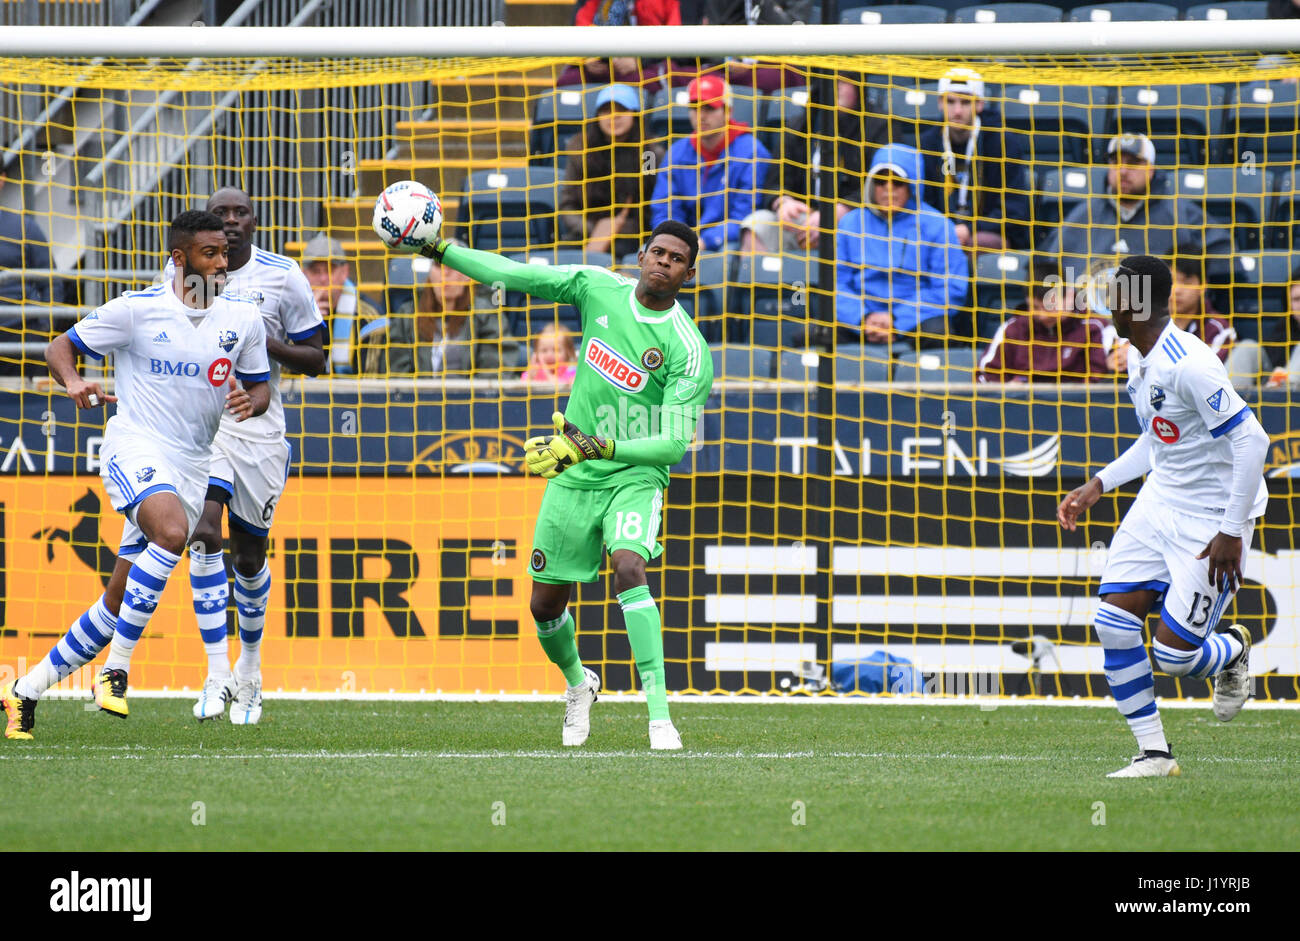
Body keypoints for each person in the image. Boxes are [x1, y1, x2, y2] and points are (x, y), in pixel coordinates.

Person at [416, 218, 712, 750]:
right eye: (657, 252)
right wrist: (441, 249)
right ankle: (580, 685)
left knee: (628, 565)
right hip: (574, 472)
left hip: (633, 473)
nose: (664, 262)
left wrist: (603, 446)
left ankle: (660, 716)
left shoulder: (688, 349)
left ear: (690, 273)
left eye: (676, 259)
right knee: (544, 606)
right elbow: (511, 272)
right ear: (641, 257)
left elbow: (672, 445)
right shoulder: (595, 286)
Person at [2, 211, 271, 739]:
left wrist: (250, 400)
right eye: (210, 254)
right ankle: (116, 670)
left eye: (225, 254)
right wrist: (75, 381)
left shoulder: (244, 320)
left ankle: (23, 691)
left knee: (117, 600)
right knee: (174, 534)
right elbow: (59, 348)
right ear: (179, 258)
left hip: (194, 463)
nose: (222, 264)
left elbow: (260, 387)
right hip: (136, 447)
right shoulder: (136, 311)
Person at [1056, 255, 1269, 778]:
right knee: (1112, 622)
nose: (1104, 298)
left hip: (1213, 517)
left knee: (1173, 658)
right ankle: (1154, 754)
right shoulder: (1136, 355)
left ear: (1136, 304)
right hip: (1161, 500)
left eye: (1113, 291)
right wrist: (1100, 484)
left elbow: (1253, 440)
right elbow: (1160, 440)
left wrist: (1229, 531)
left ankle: (1232, 649)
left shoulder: (1190, 363)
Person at [171, 188, 325, 724]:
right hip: (203, 428)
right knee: (204, 531)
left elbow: (317, 357)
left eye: (240, 214)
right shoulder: (185, 273)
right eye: (222, 214)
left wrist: (258, 338)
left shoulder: (282, 277)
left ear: (255, 222)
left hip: (258, 428)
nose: (231, 222)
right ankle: (216, 676)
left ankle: (250, 672)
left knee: (249, 557)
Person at [835, 142, 970, 352]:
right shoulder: (850, 224)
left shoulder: (938, 226)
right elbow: (836, 284)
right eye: (881, 181)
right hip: (861, 318)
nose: (889, 190)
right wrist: (863, 318)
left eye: (897, 182)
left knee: (939, 333)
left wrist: (897, 320)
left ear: (912, 185)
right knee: (811, 334)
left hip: (916, 319)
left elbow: (950, 288)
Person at [1043, 133, 1231, 283]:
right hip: (1090, 328)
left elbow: (1225, 270)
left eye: (1133, 163)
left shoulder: (1182, 215)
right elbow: (1045, 272)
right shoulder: (1081, 216)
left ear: (1151, 170)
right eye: (1116, 162)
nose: (1123, 171)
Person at [743, 73, 889, 254]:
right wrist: (783, 203)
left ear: (858, 87)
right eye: (831, 81)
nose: (835, 87)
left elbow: (882, 185)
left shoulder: (880, 126)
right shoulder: (799, 126)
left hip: (853, 220)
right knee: (756, 226)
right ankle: (763, 283)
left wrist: (839, 211)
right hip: (802, 220)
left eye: (842, 82)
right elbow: (776, 181)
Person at [650, 75, 770, 253]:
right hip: (682, 241)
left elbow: (745, 214)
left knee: (726, 253)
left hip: (725, 241)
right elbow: (664, 208)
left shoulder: (752, 152)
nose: (701, 116)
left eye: (709, 108)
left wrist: (705, 240)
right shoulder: (677, 152)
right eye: (695, 108)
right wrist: (676, 238)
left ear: (728, 111)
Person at [919, 67, 1032, 254]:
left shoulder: (1003, 142)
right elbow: (924, 204)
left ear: (979, 104)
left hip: (986, 232)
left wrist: (969, 228)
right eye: (950, 101)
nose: (957, 111)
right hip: (941, 232)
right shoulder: (928, 142)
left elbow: (1013, 212)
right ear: (940, 103)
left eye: (965, 102)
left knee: (973, 243)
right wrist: (947, 230)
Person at [380, 241, 524, 376]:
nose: (445, 273)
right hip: (419, 401)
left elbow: (494, 371)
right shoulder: (408, 315)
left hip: (471, 401)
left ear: (468, 275)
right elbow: (395, 372)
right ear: (430, 273)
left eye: (453, 266)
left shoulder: (485, 314)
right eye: (438, 265)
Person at [559, 84, 665, 259]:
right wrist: (596, 229)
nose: (613, 117)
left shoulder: (649, 154)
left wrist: (621, 228)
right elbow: (568, 205)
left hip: (632, 238)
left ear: (634, 114)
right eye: (606, 111)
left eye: (621, 110)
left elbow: (651, 202)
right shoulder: (580, 151)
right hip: (585, 234)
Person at [977, 256, 1109, 383]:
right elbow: (985, 378)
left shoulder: (1095, 328)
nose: (1042, 315)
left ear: (1069, 296)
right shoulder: (1013, 329)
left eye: (1049, 307)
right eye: (1034, 307)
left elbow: (1103, 381)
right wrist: (1009, 390)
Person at [1107, 252, 1236, 378]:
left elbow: (1203, 376)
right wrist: (1118, 359)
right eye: (1172, 281)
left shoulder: (1219, 329)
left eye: (1186, 282)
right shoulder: (1138, 319)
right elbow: (1113, 361)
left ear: (1203, 286)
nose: (1177, 290)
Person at [300, 233, 386, 374]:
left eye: (330, 270)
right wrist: (305, 322)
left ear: (344, 272)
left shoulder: (369, 317)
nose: (323, 278)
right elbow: (284, 374)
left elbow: (371, 385)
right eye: (316, 271)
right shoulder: (291, 312)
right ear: (303, 274)